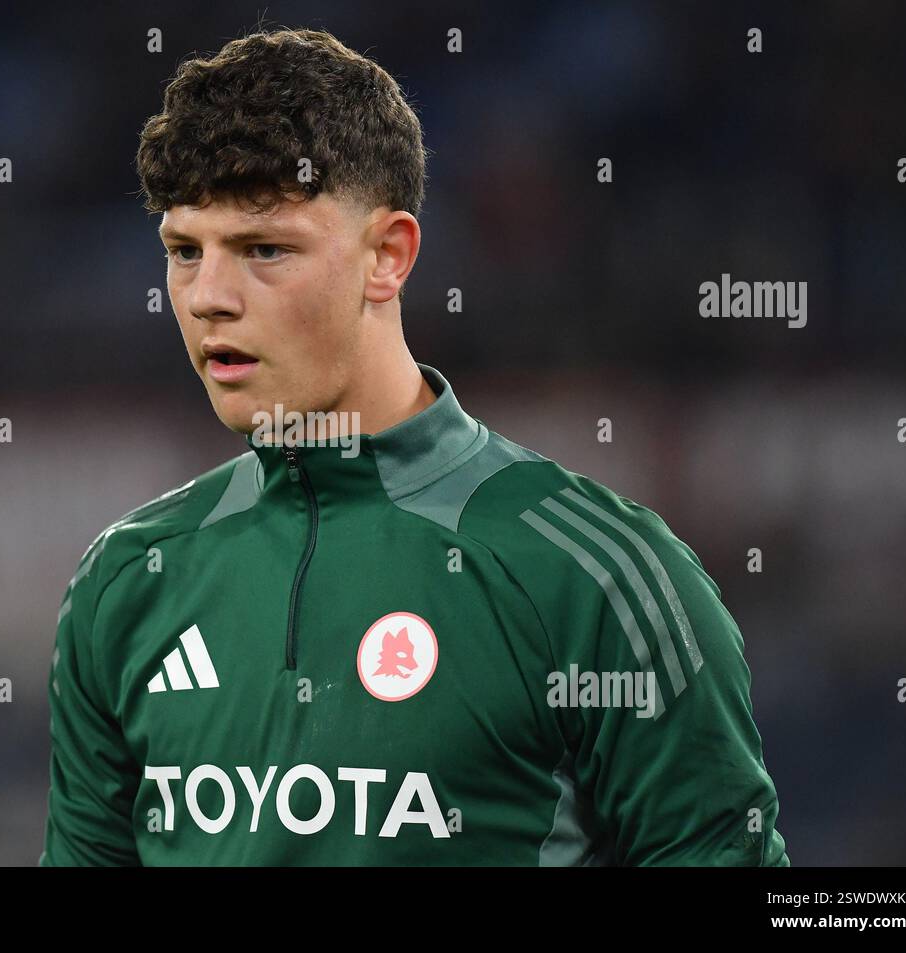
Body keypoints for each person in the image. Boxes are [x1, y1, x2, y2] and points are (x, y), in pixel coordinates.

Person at [39, 26, 788, 866]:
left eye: (265, 249)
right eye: (185, 251)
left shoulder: (595, 579)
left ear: (387, 257)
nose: (209, 296)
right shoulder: (129, 580)